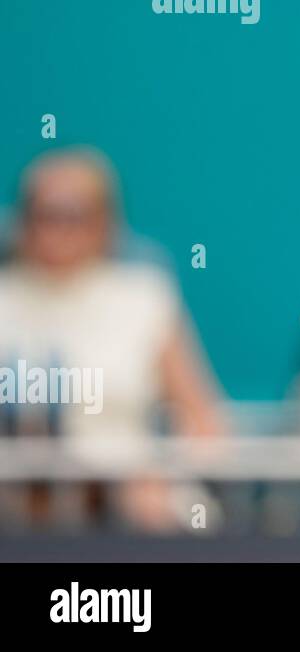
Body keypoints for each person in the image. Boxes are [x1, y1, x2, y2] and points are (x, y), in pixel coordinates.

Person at [0, 147, 227, 531]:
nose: (56, 230)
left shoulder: (143, 298)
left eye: (73, 214)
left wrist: (165, 475)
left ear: (106, 221)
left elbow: (205, 422)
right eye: (43, 213)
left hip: (124, 501)